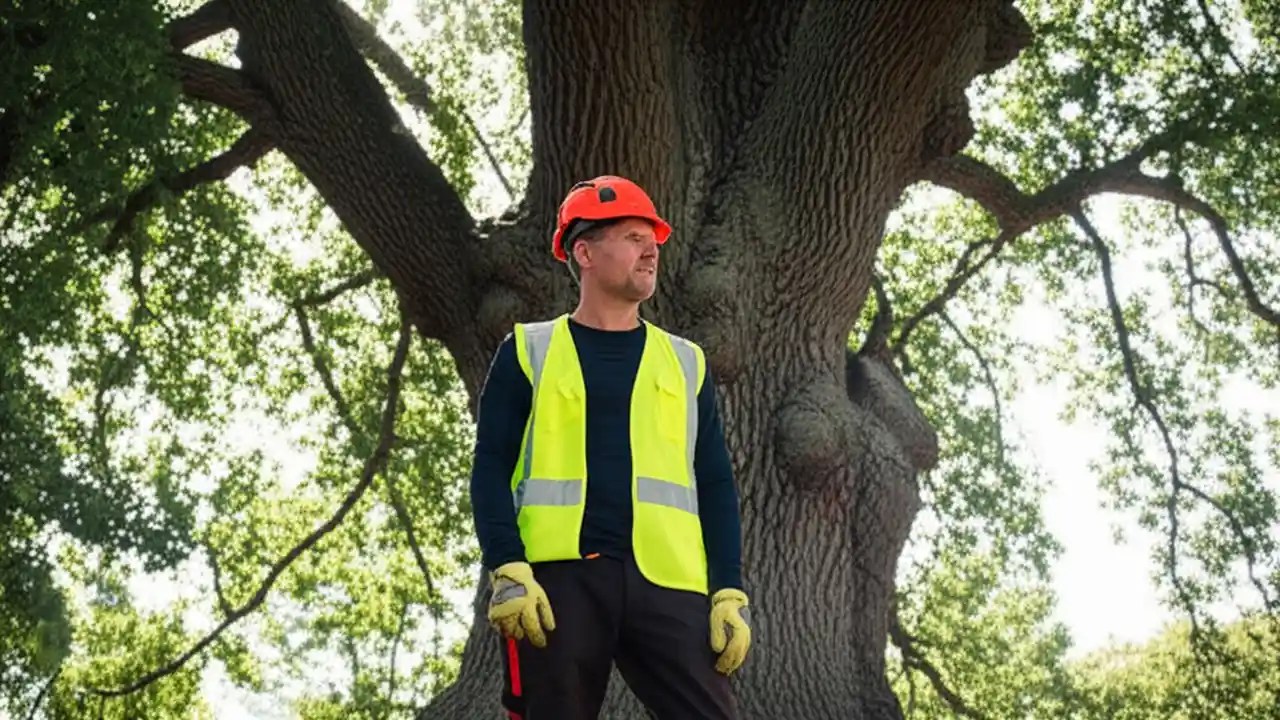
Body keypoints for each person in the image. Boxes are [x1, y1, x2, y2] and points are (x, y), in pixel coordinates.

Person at [468, 175, 751, 719]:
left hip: (669, 583)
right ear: (585, 252)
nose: (651, 251)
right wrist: (507, 565)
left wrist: (728, 591)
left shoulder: (687, 362)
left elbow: (715, 482)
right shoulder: (528, 351)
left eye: (653, 240)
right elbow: (491, 468)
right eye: (632, 237)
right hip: (555, 583)